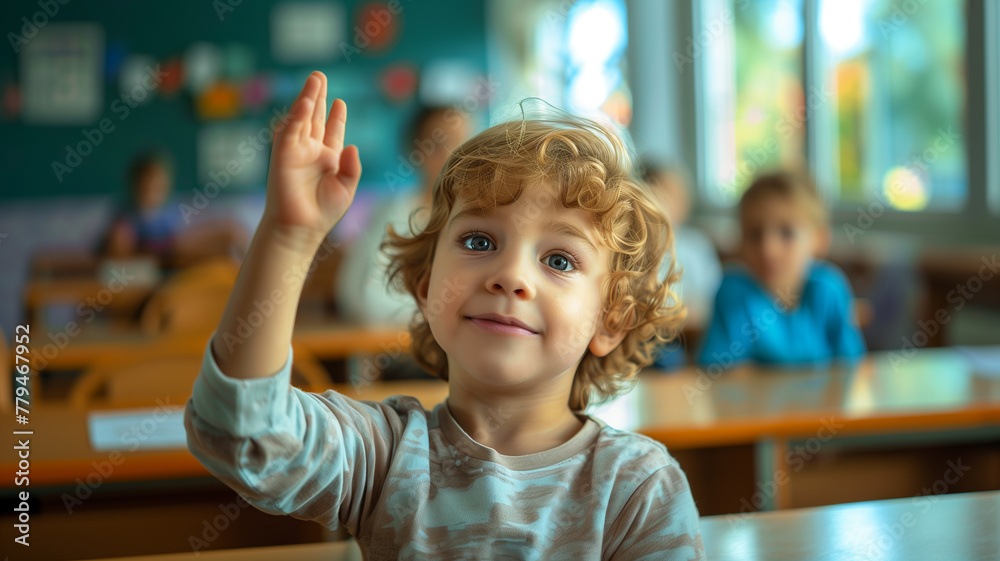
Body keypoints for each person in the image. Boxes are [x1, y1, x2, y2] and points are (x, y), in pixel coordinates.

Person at [184, 72, 704, 559]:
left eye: (559, 260)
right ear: (427, 286)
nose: (511, 276)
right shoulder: (384, 456)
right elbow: (241, 433)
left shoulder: (638, 488)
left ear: (610, 321)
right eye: (479, 240)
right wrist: (287, 236)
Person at [697, 170, 866, 367]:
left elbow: (852, 367)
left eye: (787, 233)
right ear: (740, 240)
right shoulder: (733, 292)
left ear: (819, 240)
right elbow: (721, 374)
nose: (768, 250)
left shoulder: (828, 288)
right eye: (754, 234)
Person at [335, 105, 471, 327]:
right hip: (393, 346)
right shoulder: (393, 213)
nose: (452, 155)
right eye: (438, 144)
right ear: (417, 151)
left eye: (464, 143)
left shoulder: (480, 219)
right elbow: (365, 298)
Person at [99, 151, 249, 266]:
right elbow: (116, 250)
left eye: (157, 187)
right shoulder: (124, 216)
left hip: (174, 255)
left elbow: (181, 239)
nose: (151, 192)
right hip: (143, 265)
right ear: (134, 186)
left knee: (230, 231)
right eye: (145, 187)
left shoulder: (174, 210)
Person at [640, 161, 722, 370]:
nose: (660, 202)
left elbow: (712, 299)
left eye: (669, 196)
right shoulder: (635, 246)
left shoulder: (695, 245)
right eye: (651, 193)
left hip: (686, 338)